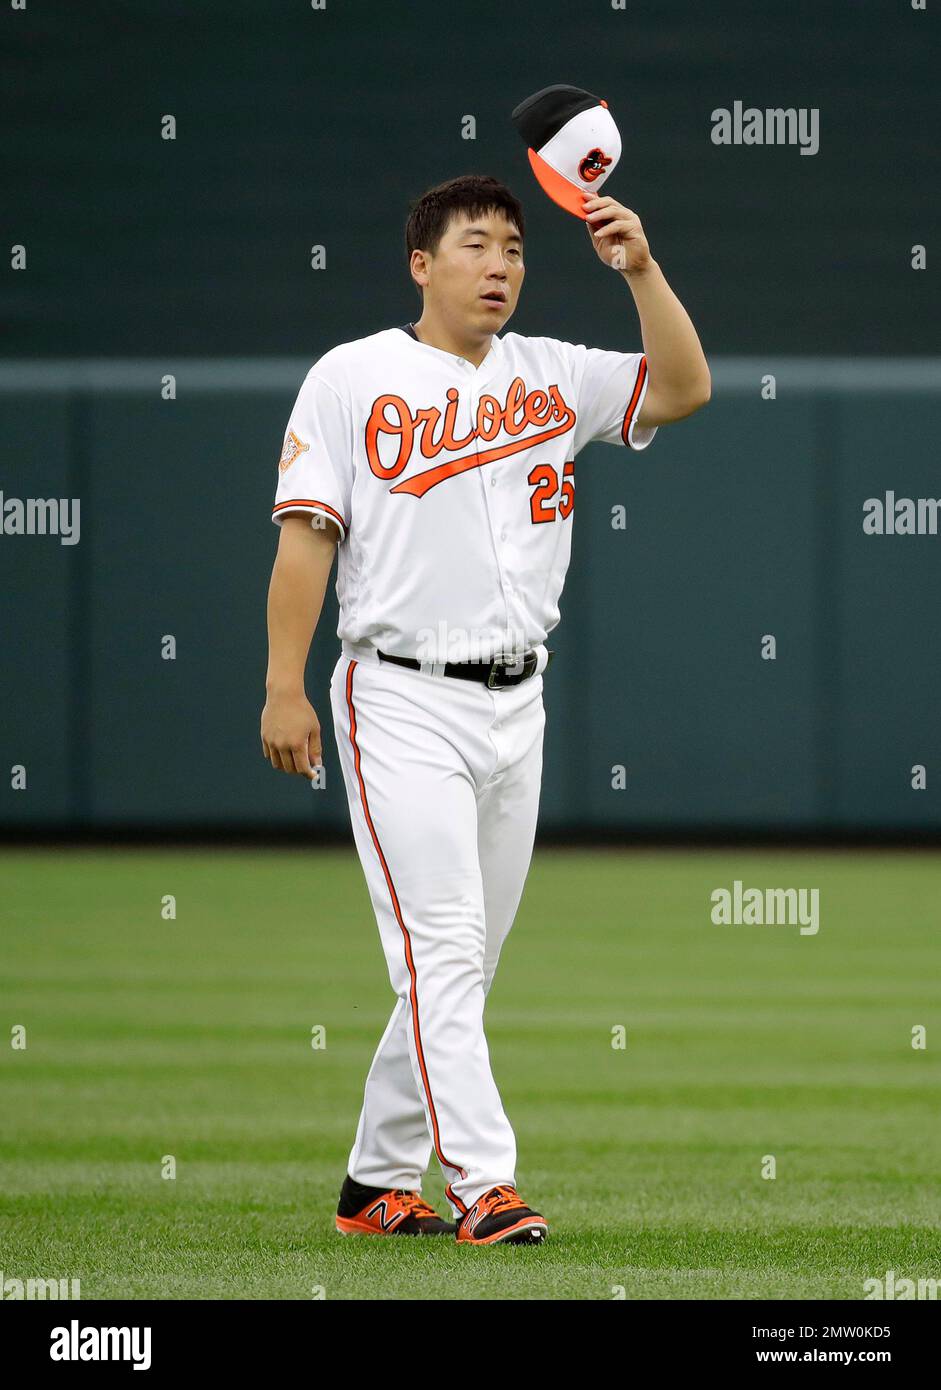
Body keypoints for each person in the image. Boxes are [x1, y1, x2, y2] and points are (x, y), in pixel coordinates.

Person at [261, 174, 710, 1245]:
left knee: (459, 961)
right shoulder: (354, 375)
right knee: (446, 947)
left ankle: (374, 1186)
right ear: (422, 264)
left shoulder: (550, 374)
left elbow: (685, 388)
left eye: (513, 247)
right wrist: (284, 681)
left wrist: (638, 266)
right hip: (401, 695)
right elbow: (305, 539)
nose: (500, 264)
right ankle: (484, 1186)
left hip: (518, 700)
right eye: (475, 245)